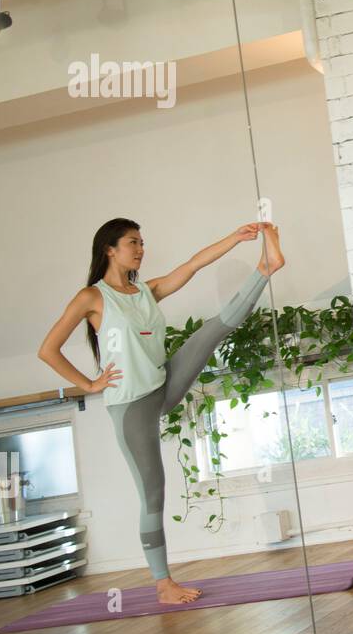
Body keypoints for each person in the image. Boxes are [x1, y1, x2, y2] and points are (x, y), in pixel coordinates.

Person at [38, 220, 285, 603]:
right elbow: (48, 349)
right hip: (131, 405)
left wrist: (235, 238)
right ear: (110, 249)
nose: (140, 249)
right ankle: (163, 583)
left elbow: (192, 265)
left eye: (142, 242)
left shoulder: (145, 291)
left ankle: (265, 268)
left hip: (162, 383)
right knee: (153, 493)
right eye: (132, 242)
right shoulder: (92, 297)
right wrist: (88, 385)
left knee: (212, 331)